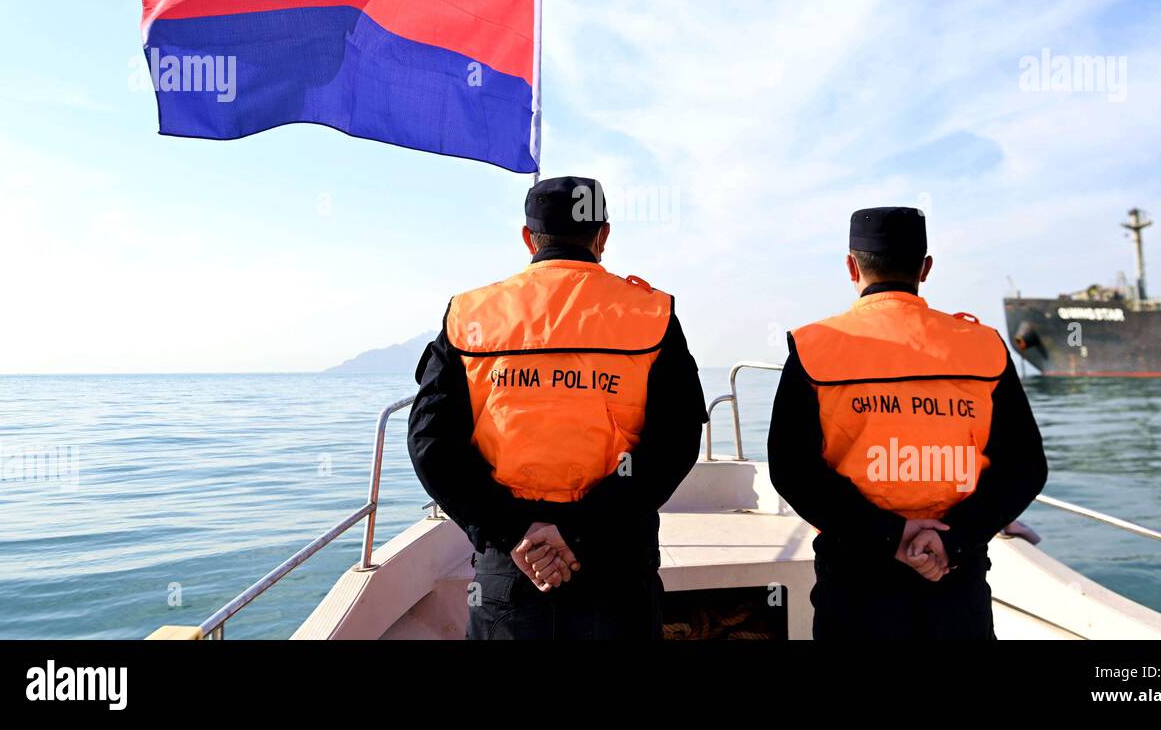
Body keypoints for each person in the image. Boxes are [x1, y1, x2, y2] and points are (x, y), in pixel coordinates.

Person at [407, 176, 706, 639]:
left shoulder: (471, 314)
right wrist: (579, 530)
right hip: (617, 563)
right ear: (603, 235)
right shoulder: (651, 313)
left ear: (528, 238)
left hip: (511, 566)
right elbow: (676, 440)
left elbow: (431, 443)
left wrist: (514, 532)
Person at [767, 206, 1048, 639]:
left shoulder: (814, 348)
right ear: (926, 267)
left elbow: (792, 470)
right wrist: (952, 540)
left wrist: (890, 536)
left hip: (855, 584)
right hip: (955, 581)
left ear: (851, 265)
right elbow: (1025, 466)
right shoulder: (983, 347)